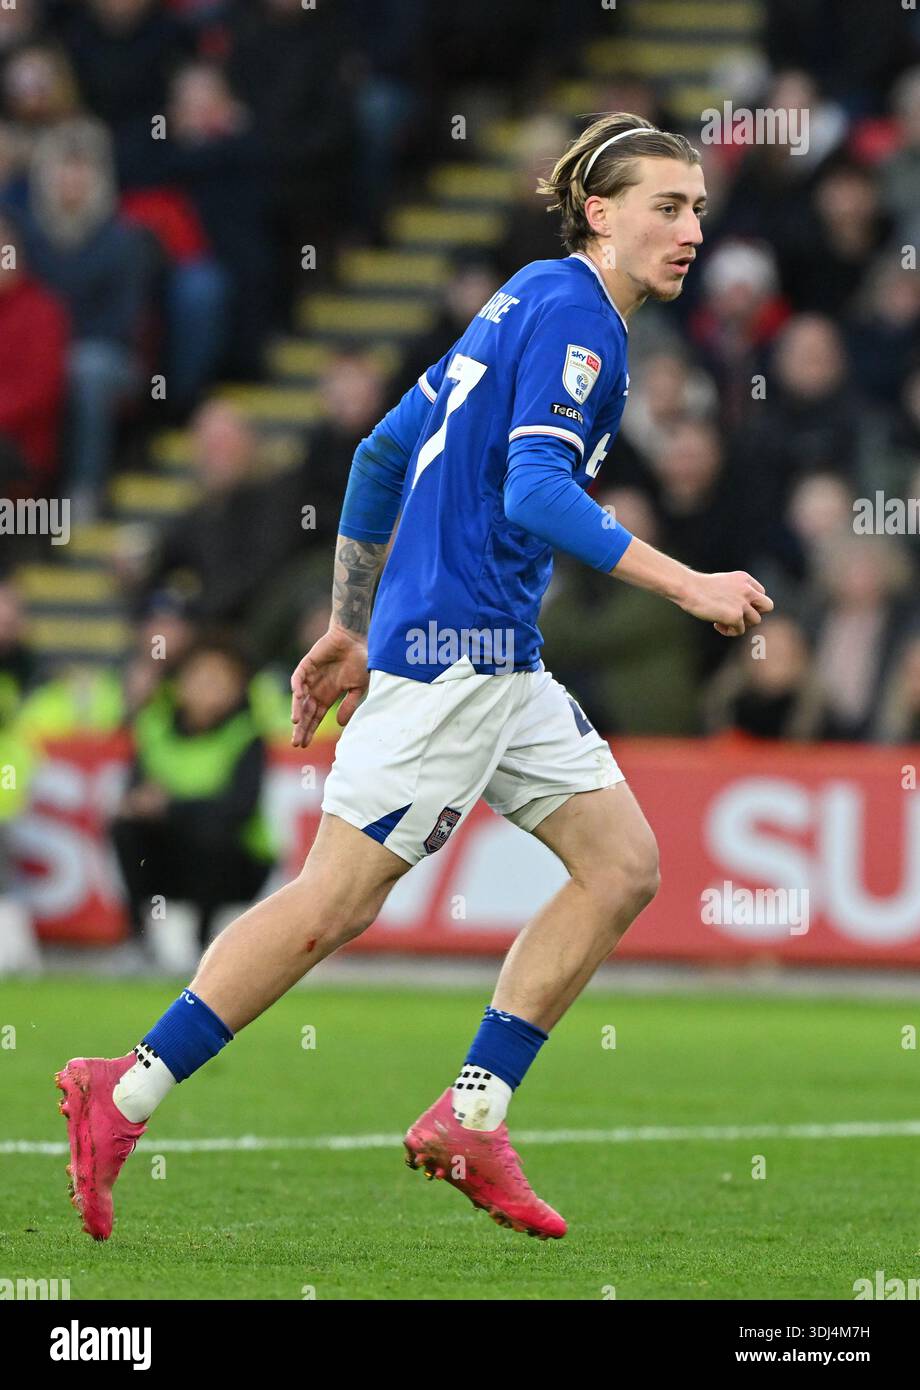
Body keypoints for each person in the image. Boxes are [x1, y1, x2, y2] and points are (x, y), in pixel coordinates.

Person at [56, 112, 773, 1244]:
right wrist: (686, 584)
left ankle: (470, 1115)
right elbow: (537, 491)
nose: (689, 228)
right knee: (335, 899)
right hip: (455, 658)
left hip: (494, 655)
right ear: (599, 211)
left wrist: (346, 625)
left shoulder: (528, 292)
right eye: (666, 206)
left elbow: (384, 450)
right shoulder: (581, 321)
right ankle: (124, 1090)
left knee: (621, 864)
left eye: (695, 208)